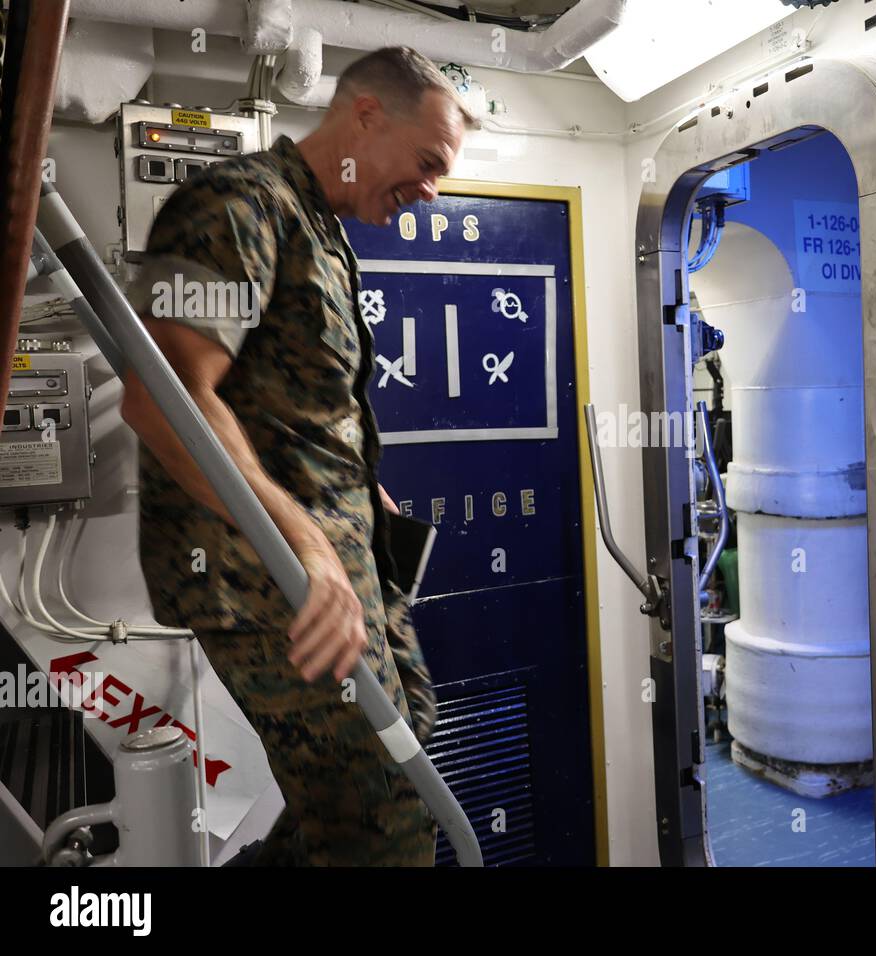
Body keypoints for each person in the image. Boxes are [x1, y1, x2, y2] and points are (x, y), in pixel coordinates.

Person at [120, 47, 478, 865]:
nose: (432, 191)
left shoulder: (319, 226)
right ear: (363, 115)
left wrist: (359, 493)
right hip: (264, 578)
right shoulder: (238, 202)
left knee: (407, 746)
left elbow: (296, 410)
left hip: (336, 564)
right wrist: (309, 542)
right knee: (384, 819)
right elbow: (162, 396)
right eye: (428, 164)